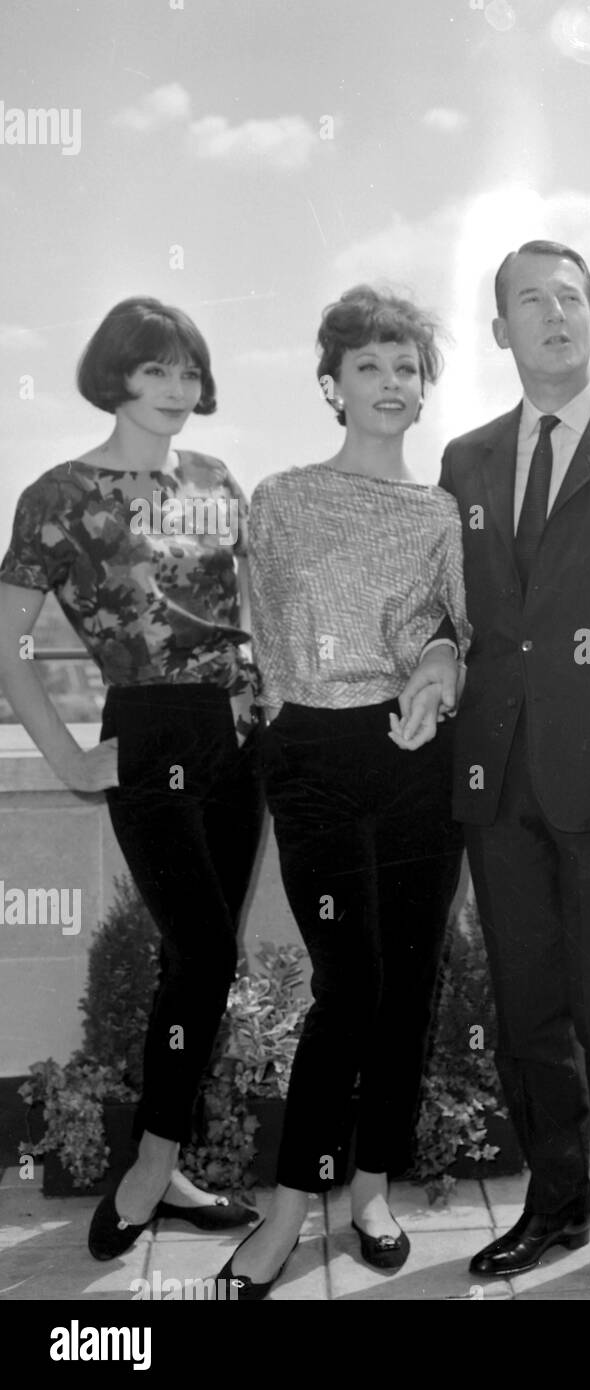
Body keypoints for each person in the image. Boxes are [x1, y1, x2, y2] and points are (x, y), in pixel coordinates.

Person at [434, 240, 590, 1298]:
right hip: (496, 779)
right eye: (529, 302)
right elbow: (462, 614)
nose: (555, 315)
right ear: (501, 330)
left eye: (572, 298)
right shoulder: (467, 457)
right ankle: (552, 1209)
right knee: (529, 1006)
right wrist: (440, 654)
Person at [214, 285, 469, 1299]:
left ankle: (368, 1190)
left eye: (407, 366)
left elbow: (447, 626)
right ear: (332, 385)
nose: (393, 382)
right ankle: (288, 1207)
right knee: (348, 985)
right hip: (311, 755)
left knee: (407, 985)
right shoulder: (277, 500)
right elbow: (245, 639)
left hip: (411, 755)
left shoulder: (438, 510)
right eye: (371, 365)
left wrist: (438, 671)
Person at [0, 297, 262, 1257]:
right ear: (115, 376)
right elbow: (7, 646)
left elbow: (247, 613)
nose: (177, 388)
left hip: (233, 733)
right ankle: (152, 1165)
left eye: (189, 371)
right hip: (145, 731)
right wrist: (71, 758)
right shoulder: (58, 495)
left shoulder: (218, 479)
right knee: (204, 951)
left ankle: (171, 1166)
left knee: (195, 957)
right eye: (155, 369)